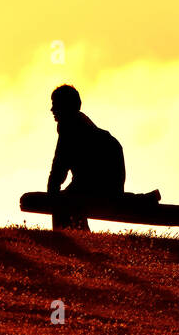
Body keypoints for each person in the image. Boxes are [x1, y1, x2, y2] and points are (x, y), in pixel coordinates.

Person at [46, 84, 126, 230]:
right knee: (66, 199)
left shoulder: (70, 128)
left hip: (99, 186)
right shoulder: (83, 125)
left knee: (62, 202)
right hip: (103, 186)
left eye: (55, 105)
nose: (52, 110)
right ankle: (75, 234)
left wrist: (51, 194)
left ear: (65, 107)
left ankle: (64, 237)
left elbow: (59, 168)